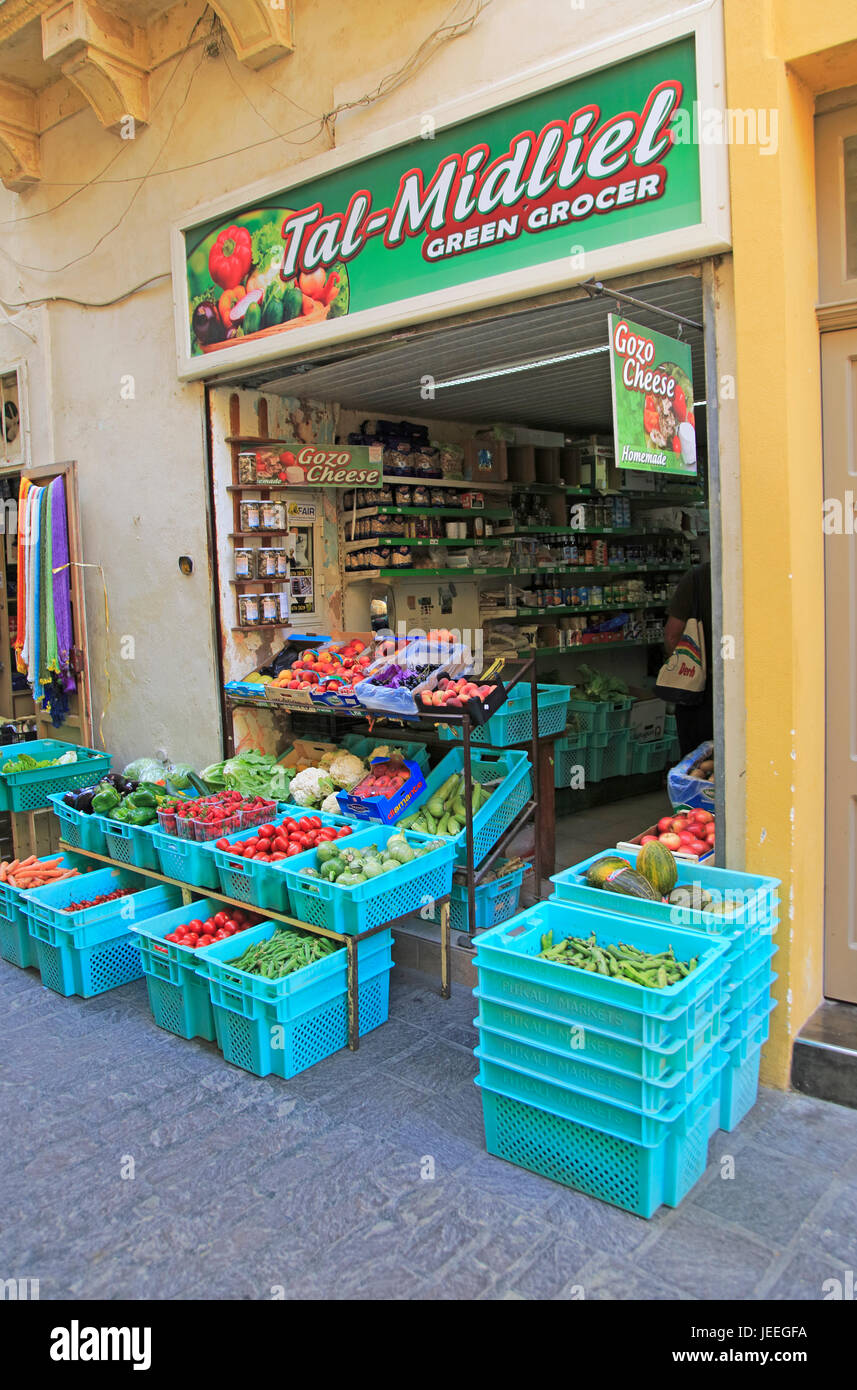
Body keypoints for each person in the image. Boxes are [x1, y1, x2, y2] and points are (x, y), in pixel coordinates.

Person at [663, 561, 713, 758]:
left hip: (698, 689)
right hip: (742, 687)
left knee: (696, 764)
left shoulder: (697, 577)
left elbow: (672, 635)